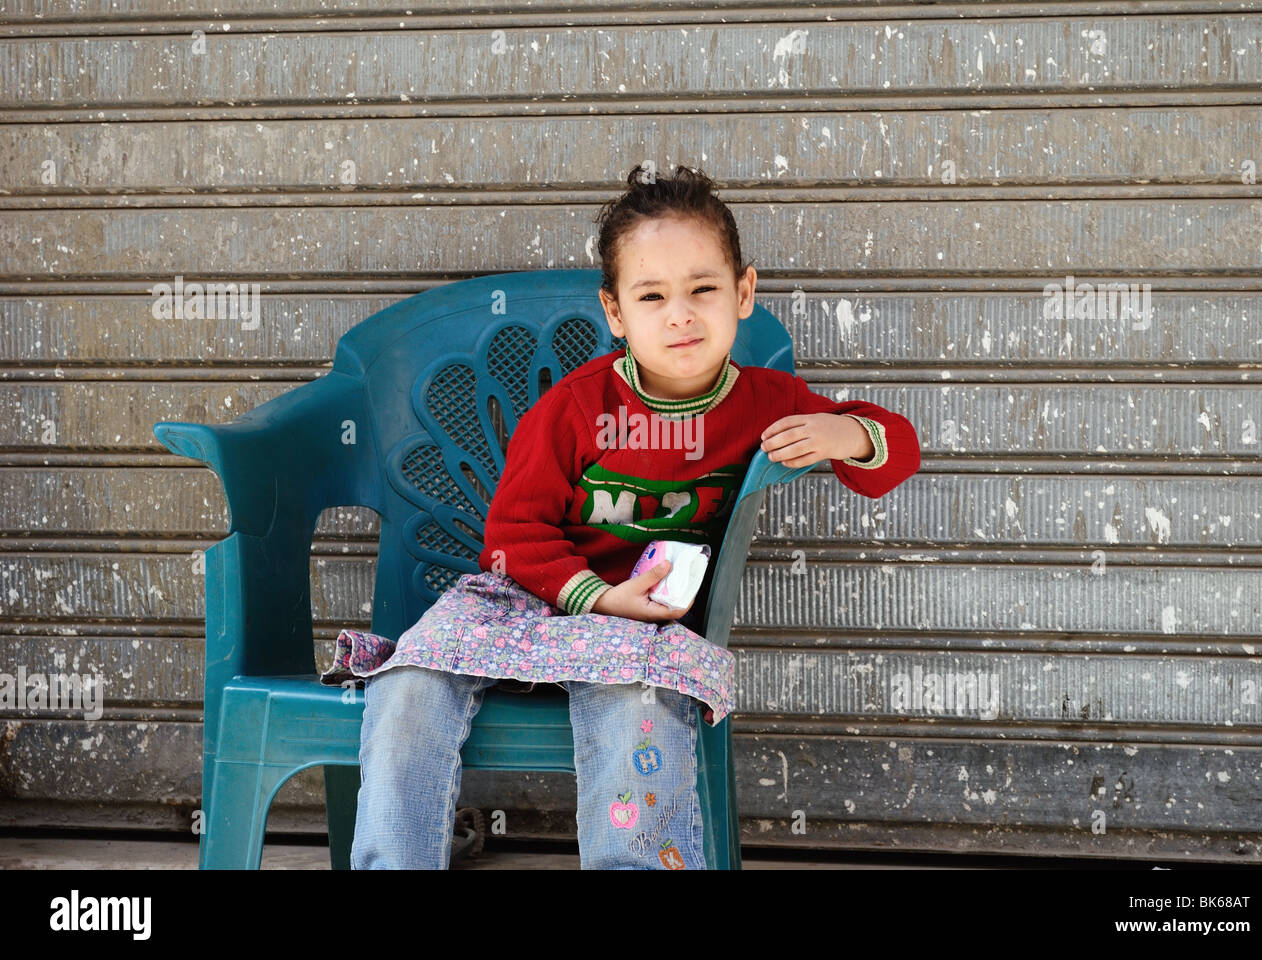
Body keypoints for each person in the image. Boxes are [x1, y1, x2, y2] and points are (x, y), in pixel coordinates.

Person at [321, 162, 922, 869]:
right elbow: (515, 534)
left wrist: (847, 433)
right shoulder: (575, 408)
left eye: (703, 289)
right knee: (410, 681)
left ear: (744, 292)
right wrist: (596, 595)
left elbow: (898, 451)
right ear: (615, 312)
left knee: (642, 704)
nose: (681, 314)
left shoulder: (767, 401)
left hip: (640, 631)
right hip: (529, 599)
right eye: (652, 295)